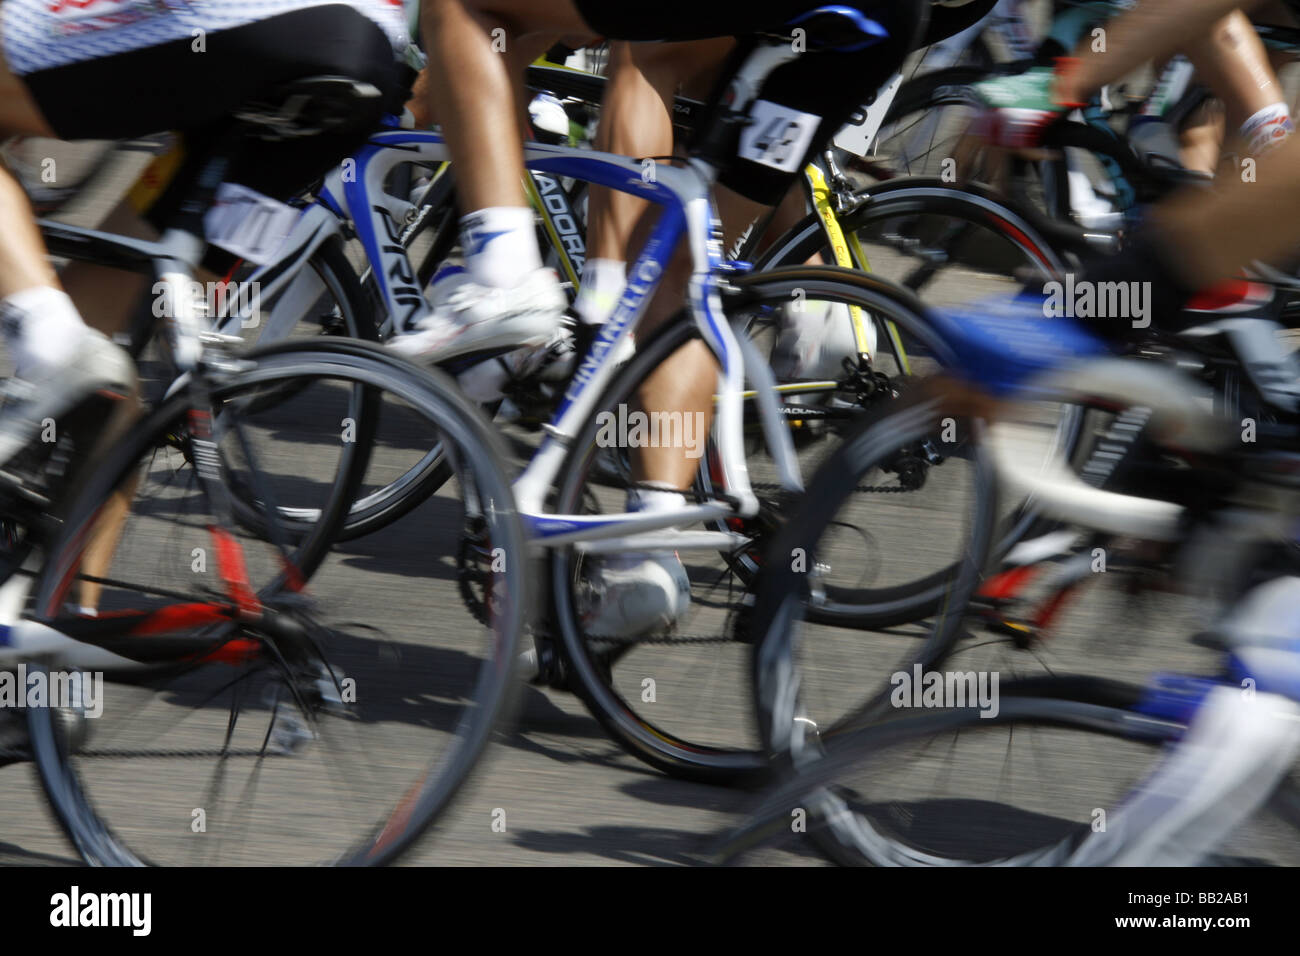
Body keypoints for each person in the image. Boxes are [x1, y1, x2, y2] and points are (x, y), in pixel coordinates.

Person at [0, 0, 410, 466]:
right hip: (364, 57)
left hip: (243, 24)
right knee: (100, 360)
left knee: (64, 351)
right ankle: (71, 504)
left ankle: (46, 341)